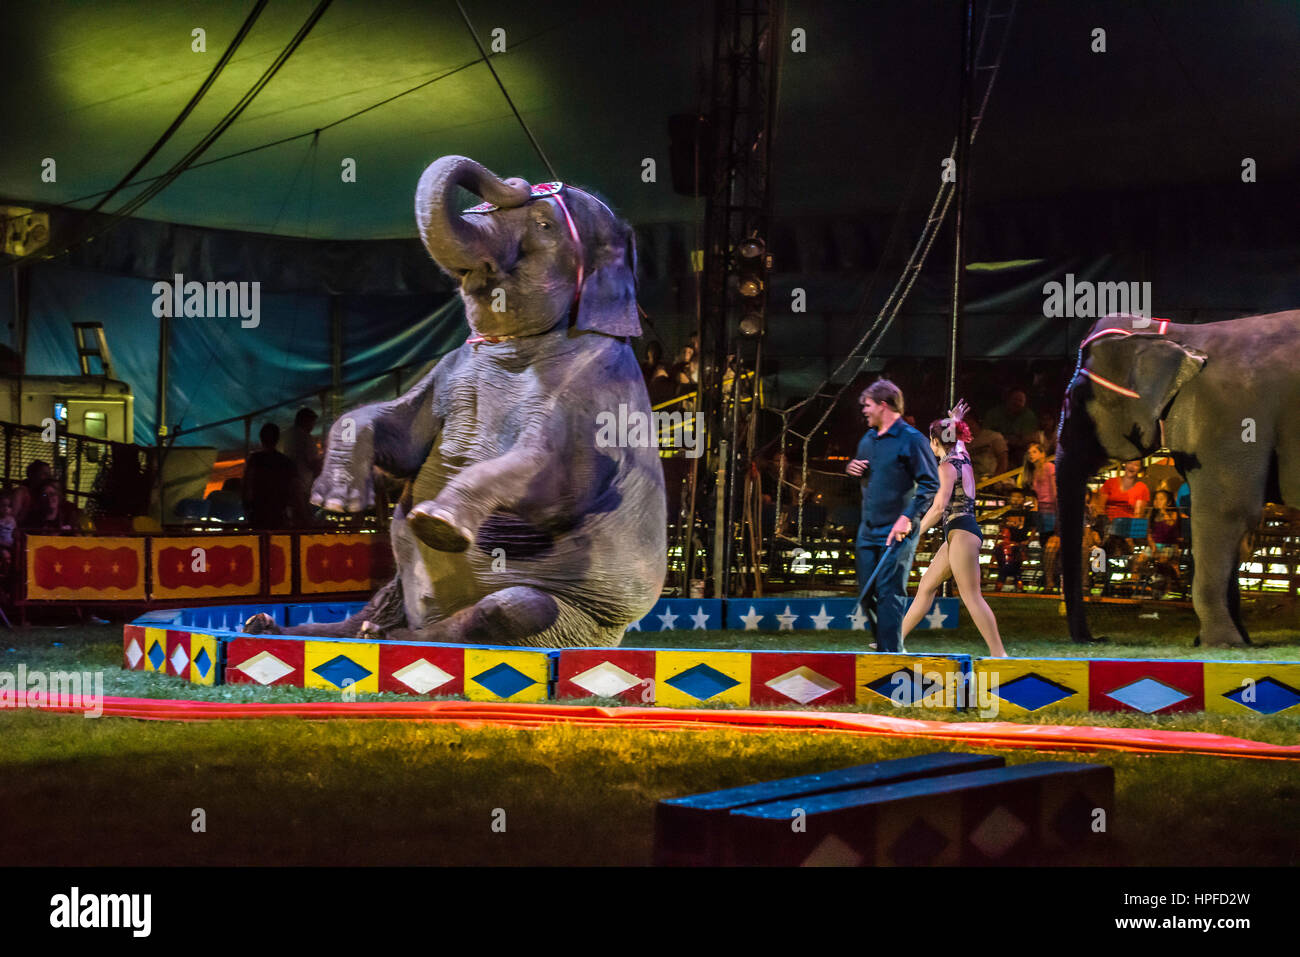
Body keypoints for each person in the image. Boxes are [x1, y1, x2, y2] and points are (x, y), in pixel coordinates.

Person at [900, 402, 1007, 657]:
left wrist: (914, 533)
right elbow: (957, 441)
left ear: (934, 442)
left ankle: (999, 654)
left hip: (962, 534)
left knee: (972, 597)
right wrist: (954, 420)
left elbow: (938, 509)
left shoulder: (947, 467)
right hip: (958, 535)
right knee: (926, 586)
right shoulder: (962, 456)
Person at [845, 379, 939, 653]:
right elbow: (868, 473)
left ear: (883, 405)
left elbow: (931, 484)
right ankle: (886, 645)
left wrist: (908, 517)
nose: (864, 410)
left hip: (897, 529)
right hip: (868, 528)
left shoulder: (912, 440)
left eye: (868, 405)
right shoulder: (868, 439)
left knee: (889, 593)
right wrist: (854, 469)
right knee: (866, 595)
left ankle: (890, 653)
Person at [242, 423, 302, 530]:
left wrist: (247, 507)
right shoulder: (286, 462)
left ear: (261, 438)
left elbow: (247, 485)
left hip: (258, 512)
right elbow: (295, 489)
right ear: (277, 439)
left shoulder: (254, 459)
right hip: (279, 512)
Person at [281, 407, 323, 526]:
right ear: (305, 421)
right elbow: (313, 463)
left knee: (292, 520)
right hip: (302, 485)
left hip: (284, 485)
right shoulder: (306, 438)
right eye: (312, 423)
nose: (313, 427)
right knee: (303, 520)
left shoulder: (285, 435)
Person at [993, 488, 1036, 592]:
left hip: (1020, 545)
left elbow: (1034, 528)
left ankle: (1008, 583)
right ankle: (1013, 584)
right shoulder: (1006, 513)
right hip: (1006, 546)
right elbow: (1001, 528)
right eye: (1013, 498)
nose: (1016, 500)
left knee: (1015, 564)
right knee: (1005, 563)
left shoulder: (1027, 514)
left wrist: (1028, 540)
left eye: (1018, 498)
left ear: (1023, 499)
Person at [983, 387, 1039, 463]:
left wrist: (1005, 439)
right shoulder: (994, 414)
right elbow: (986, 436)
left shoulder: (1028, 416)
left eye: (1020, 401)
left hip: (1020, 450)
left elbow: (1027, 439)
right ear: (1007, 399)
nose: (1017, 403)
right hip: (995, 449)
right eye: (1014, 399)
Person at [1095, 459, 1150, 523]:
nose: (1132, 467)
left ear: (1140, 469)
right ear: (1125, 464)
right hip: (1107, 524)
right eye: (1130, 463)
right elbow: (1100, 507)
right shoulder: (1110, 482)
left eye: (1136, 465)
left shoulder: (1142, 488)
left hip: (1127, 525)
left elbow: (1138, 515)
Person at [965, 411, 1008, 482]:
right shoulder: (960, 443)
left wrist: (994, 479)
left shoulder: (993, 437)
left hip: (992, 478)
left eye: (968, 421)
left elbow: (1003, 460)